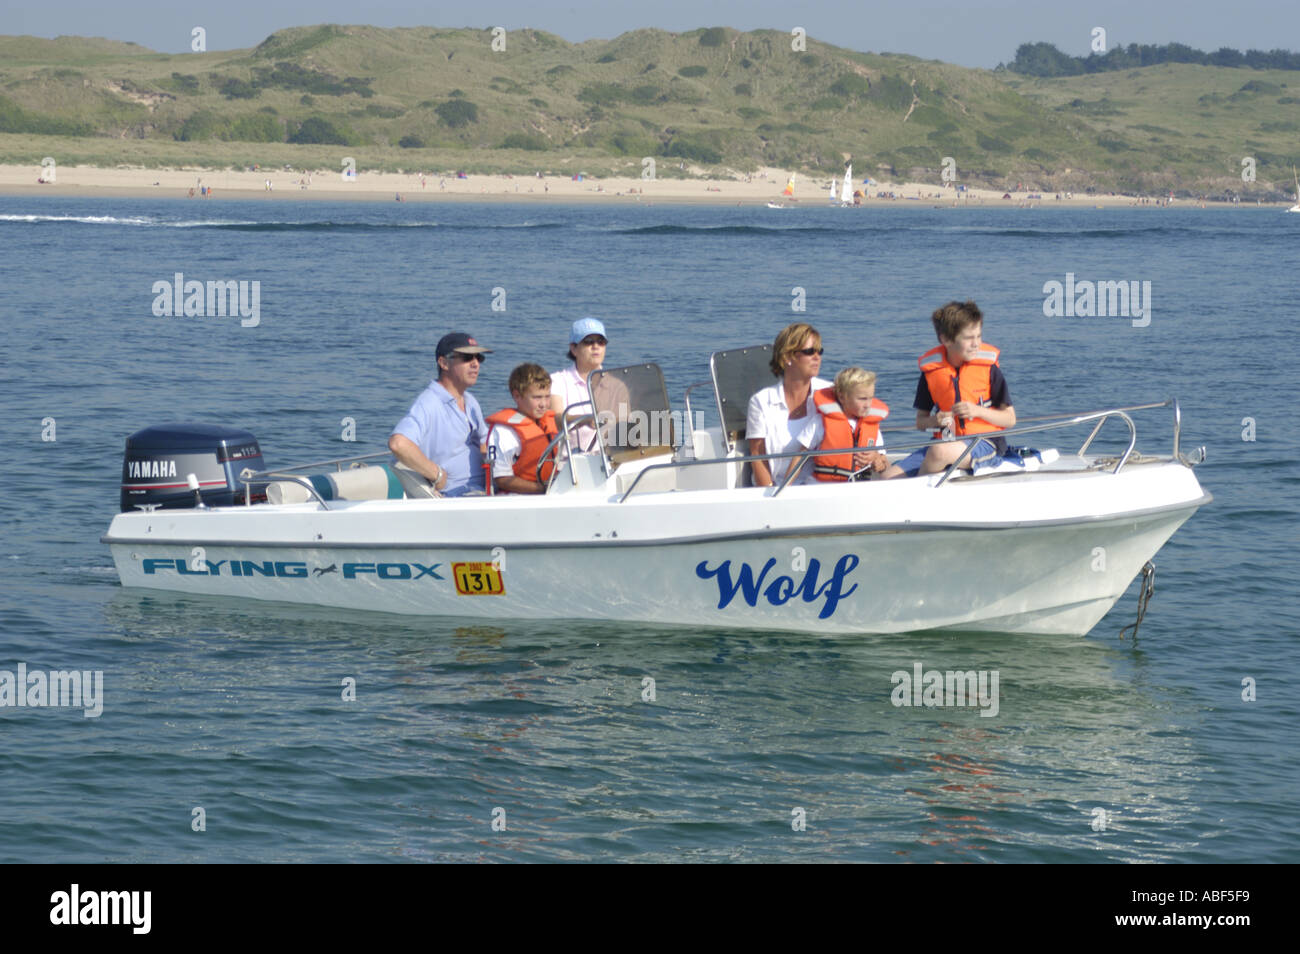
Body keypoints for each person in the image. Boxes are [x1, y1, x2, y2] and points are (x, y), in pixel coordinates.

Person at [881, 300, 1015, 479]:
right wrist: (934, 420)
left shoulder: (990, 369)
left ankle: (918, 497)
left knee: (939, 453)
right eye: (968, 338)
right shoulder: (931, 372)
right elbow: (920, 422)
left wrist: (977, 411)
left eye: (978, 336)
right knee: (887, 476)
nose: (976, 344)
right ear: (946, 339)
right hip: (944, 441)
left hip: (985, 443)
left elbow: (1010, 419)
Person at [388, 332, 491, 496]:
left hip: (487, 490)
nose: (475, 364)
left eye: (479, 358)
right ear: (443, 363)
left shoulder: (469, 401)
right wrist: (437, 475)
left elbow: (486, 441)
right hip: (459, 496)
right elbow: (398, 444)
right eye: (467, 358)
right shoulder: (429, 403)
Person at [746, 323, 830, 487]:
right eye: (809, 351)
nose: (817, 357)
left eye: (819, 351)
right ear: (787, 357)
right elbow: (757, 456)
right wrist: (773, 497)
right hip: (776, 488)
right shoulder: (761, 401)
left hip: (819, 487)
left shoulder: (830, 393)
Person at [796, 367, 889, 481]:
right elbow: (799, 457)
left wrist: (877, 459)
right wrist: (787, 487)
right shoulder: (820, 422)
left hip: (859, 488)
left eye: (870, 398)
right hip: (824, 487)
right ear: (842, 397)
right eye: (862, 399)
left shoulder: (872, 426)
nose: (867, 404)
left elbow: (885, 466)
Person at [486, 363, 559, 494]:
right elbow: (502, 479)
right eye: (537, 397)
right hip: (519, 498)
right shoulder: (504, 431)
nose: (543, 404)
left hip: (548, 493)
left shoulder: (548, 422)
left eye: (547, 397)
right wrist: (544, 490)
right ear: (517, 396)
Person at [550, 317, 618, 454]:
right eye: (588, 342)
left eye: (601, 341)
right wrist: (585, 420)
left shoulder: (616, 384)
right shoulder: (557, 381)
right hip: (571, 463)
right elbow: (557, 420)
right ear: (574, 349)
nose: (596, 346)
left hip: (610, 458)